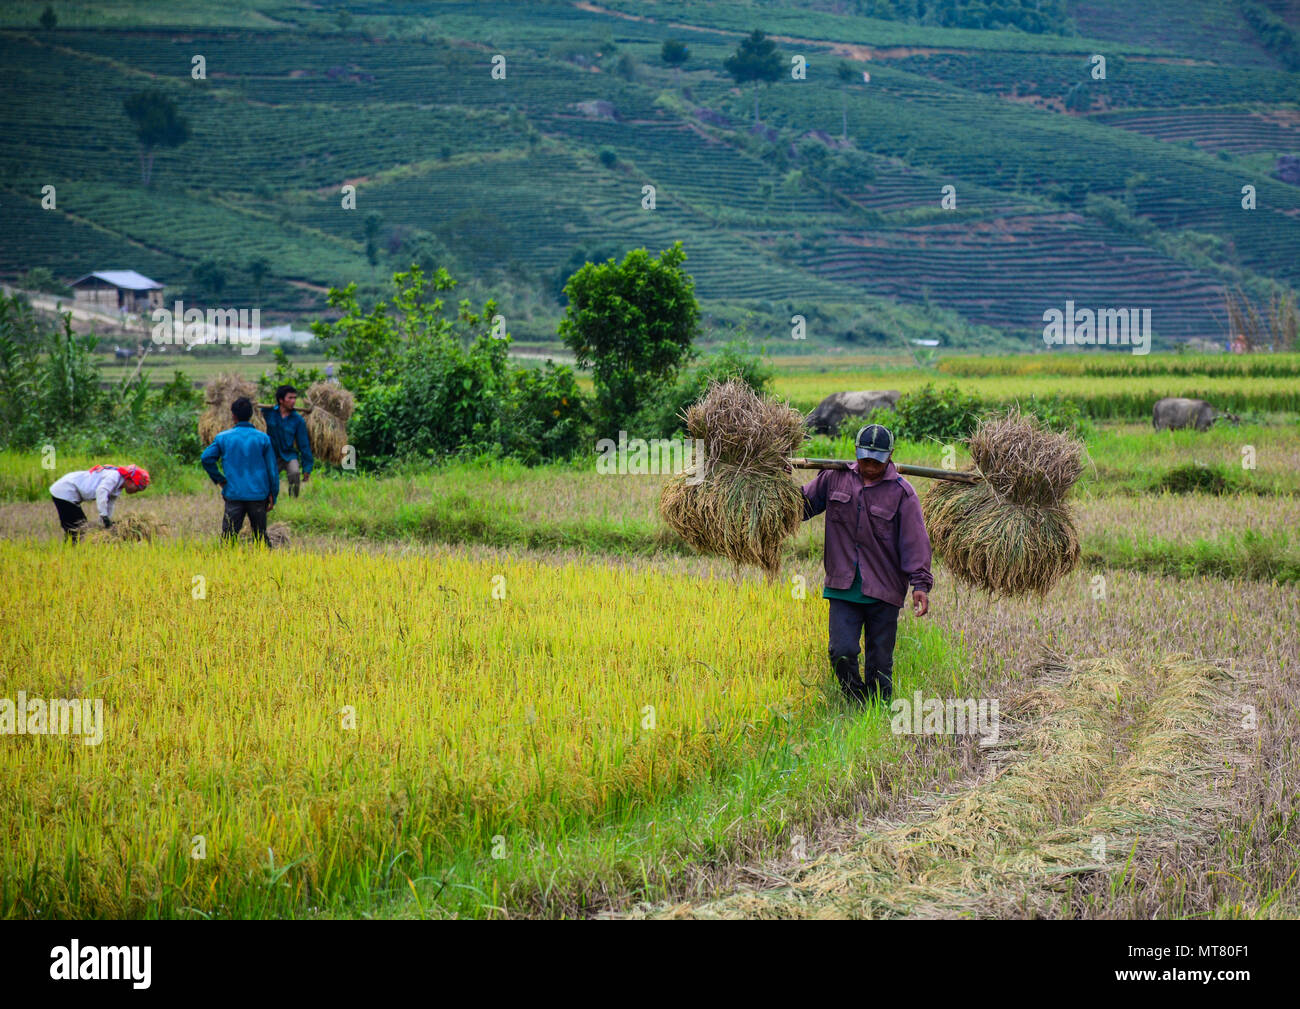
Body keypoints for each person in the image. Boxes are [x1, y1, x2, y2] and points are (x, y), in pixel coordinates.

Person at [797, 424, 933, 705]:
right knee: (841, 651)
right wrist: (777, 484)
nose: (869, 465)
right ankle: (857, 699)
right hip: (843, 585)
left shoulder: (902, 493)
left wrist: (920, 583)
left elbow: (915, 540)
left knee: (880, 660)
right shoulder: (834, 478)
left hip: (884, 589)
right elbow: (800, 507)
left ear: (890, 455)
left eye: (876, 460)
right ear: (856, 453)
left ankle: (880, 708)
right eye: (864, 458)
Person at [201, 396, 279, 546]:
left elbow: (206, 458)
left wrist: (220, 480)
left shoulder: (223, 438)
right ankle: (266, 565)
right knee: (261, 537)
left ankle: (225, 565)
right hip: (258, 495)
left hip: (234, 494)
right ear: (251, 415)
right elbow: (272, 471)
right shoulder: (263, 439)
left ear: (233, 415)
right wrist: (272, 495)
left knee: (228, 538)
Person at [49, 464, 150, 541]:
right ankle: (72, 553)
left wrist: (105, 522)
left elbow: (110, 504)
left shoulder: (118, 486)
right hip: (65, 490)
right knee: (78, 529)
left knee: (77, 528)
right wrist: (104, 515)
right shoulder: (114, 476)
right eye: (137, 488)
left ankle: (70, 551)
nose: (136, 491)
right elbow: (101, 491)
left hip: (71, 493)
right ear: (129, 480)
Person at [260, 384, 313, 498]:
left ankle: (293, 500)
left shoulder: (297, 420)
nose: (293, 401)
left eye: (295, 398)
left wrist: (307, 467)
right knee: (266, 478)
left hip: (289, 454)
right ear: (281, 400)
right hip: (271, 455)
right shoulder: (268, 413)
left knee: (294, 472)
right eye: (290, 398)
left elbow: (304, 445)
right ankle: (266, 500)